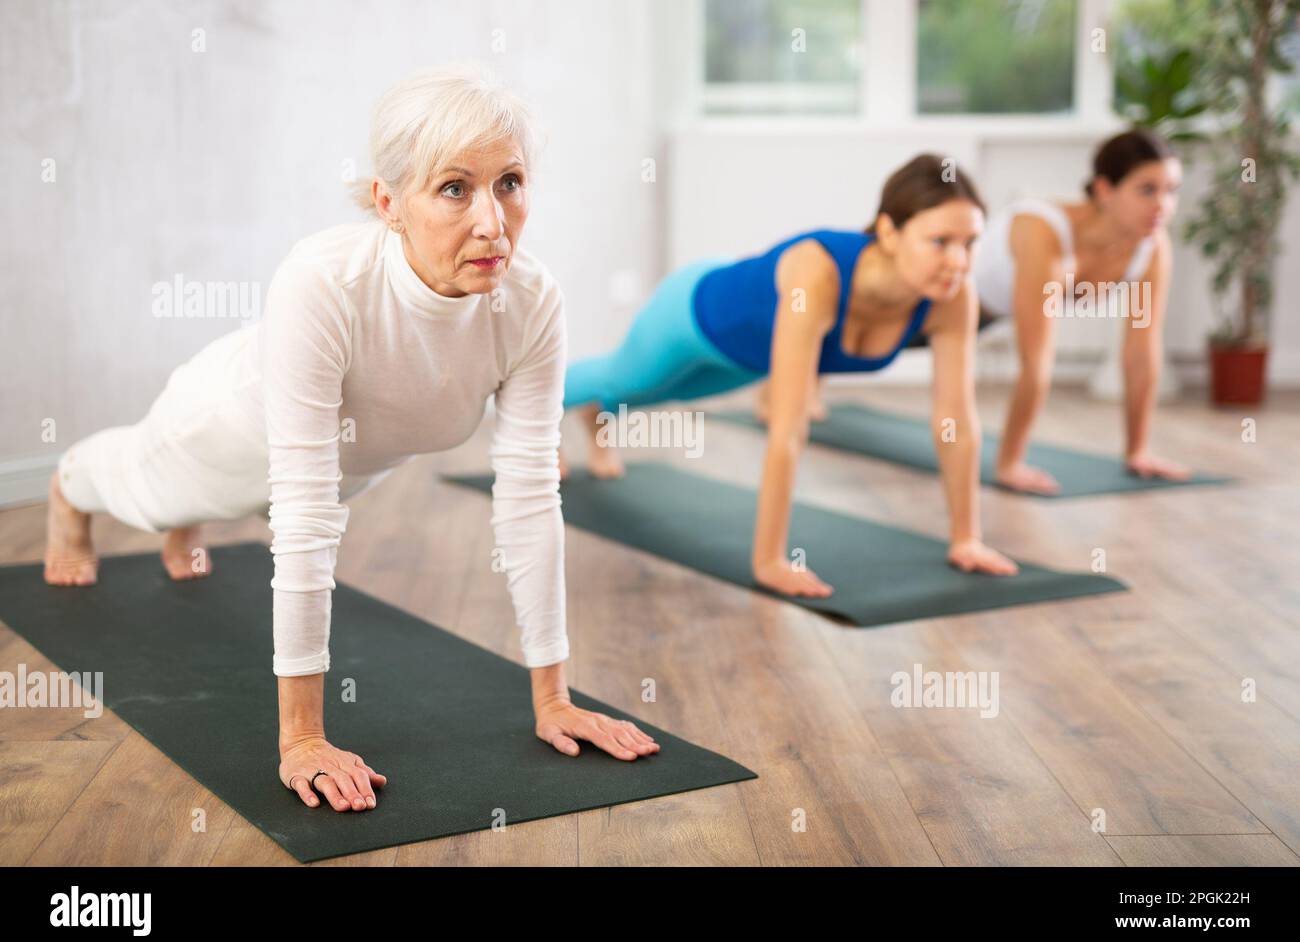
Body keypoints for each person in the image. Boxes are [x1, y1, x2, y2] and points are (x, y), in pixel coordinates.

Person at [42, 64, 659, 814]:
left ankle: (186, 526)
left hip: (343, 463)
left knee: (227, 514)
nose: (493, 222)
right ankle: (69, 490)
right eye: (456, 188)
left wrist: (555, 698)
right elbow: (301, 513)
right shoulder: (323, 281)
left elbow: (530, 496)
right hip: (223, 427)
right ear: (388, 202)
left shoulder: (531, 301)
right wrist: (302, 740)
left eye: (511, 183)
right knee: (143, 494)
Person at [562, 154, 1020, 598]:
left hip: (748, 356)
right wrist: (770, 561)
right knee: (627, 381)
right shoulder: (817, 274)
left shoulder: (952, 297)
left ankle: (597, 416)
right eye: (940, 242)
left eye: (971, 243)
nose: (959, 261)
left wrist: (967, 538)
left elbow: (956, 423)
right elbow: (788, 428)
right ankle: (529, 411)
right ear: (889, 231)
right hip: (693, 314)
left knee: (666, 396)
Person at [968, 127, 1191, 494]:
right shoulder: (1044, 230)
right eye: (1147, 190)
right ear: (1105, 190)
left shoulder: (1150, 247)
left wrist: (1137, 451)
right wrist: (1009, 464)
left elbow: (1141, 350)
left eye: (1171, 191)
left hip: (991, 313)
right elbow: (1037, 363)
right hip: (935, 306)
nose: (1162, 205)